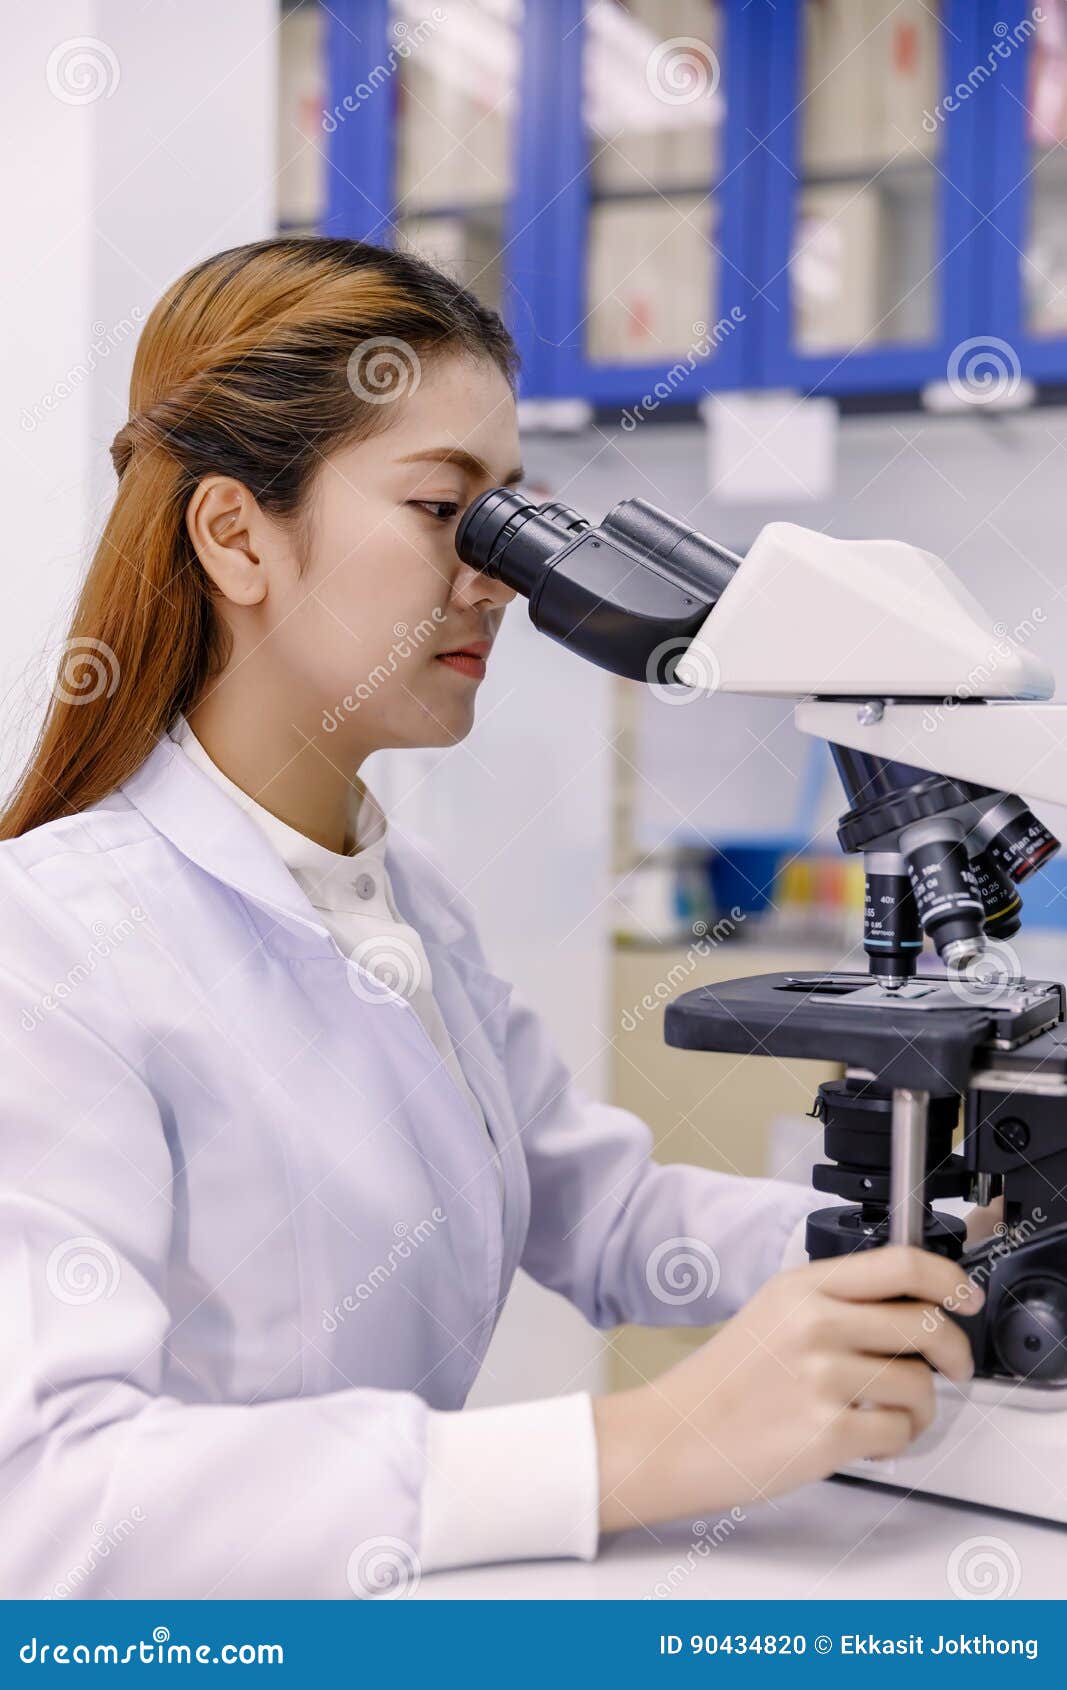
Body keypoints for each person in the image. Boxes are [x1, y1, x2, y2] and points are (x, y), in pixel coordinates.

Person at [0, 237, 987, 1600]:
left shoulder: (402, 905)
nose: (504, 575)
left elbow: (609, 1211)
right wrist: (638, 1447)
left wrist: (948, 1236)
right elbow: (55, 1502)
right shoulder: (51, 949)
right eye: (442, 509)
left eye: (514, 513)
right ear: (236, 533)